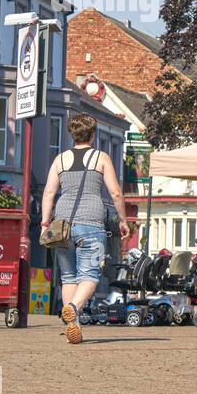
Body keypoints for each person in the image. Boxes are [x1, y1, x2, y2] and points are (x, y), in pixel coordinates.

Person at [40, 114, 131, 344]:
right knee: (90, 274)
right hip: (91, 223)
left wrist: (44, 223)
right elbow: (116, 193)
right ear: (92, 135)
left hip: (62, 225)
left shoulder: (60, 160)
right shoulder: (100, 157)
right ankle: (73, 307)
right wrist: (122, 220)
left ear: (72, 135)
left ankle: (73, 325)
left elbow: (49, 193)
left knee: (69, 277)